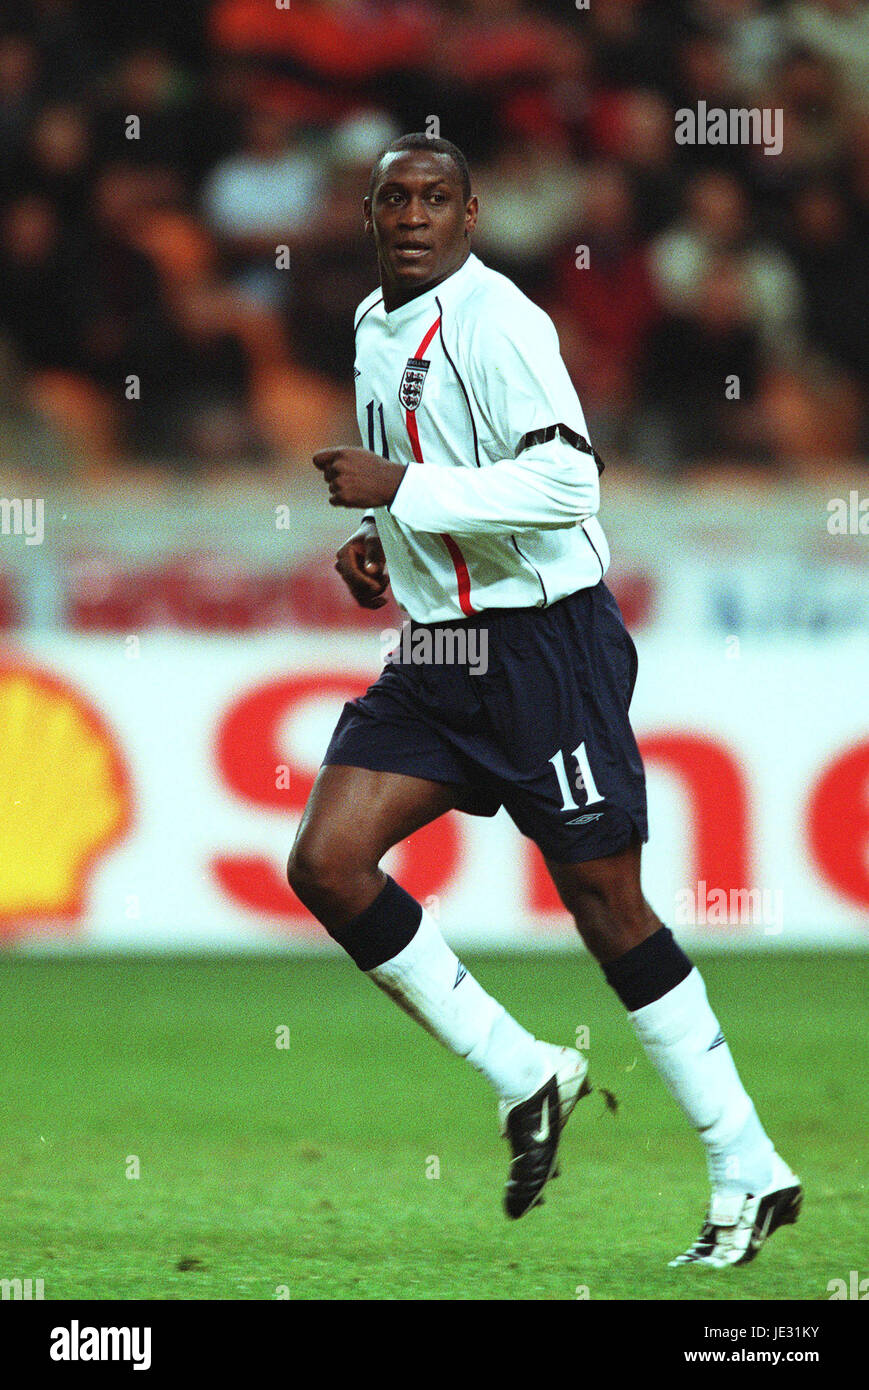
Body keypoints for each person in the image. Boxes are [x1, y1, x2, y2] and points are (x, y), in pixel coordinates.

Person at [290, 133, 802, 1265]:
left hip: (541, 648)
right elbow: (434, 468)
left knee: (605, 906)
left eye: (436, 198)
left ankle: (745, 1161)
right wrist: (386, 541)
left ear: (471, 216)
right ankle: (525, 1069)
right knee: (326, 863)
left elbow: (569, 477)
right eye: (394, 198)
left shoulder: (499, 321)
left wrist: (401, 491)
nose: (414, 215)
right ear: (368, 217)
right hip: (441, 652)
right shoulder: (374, 325)